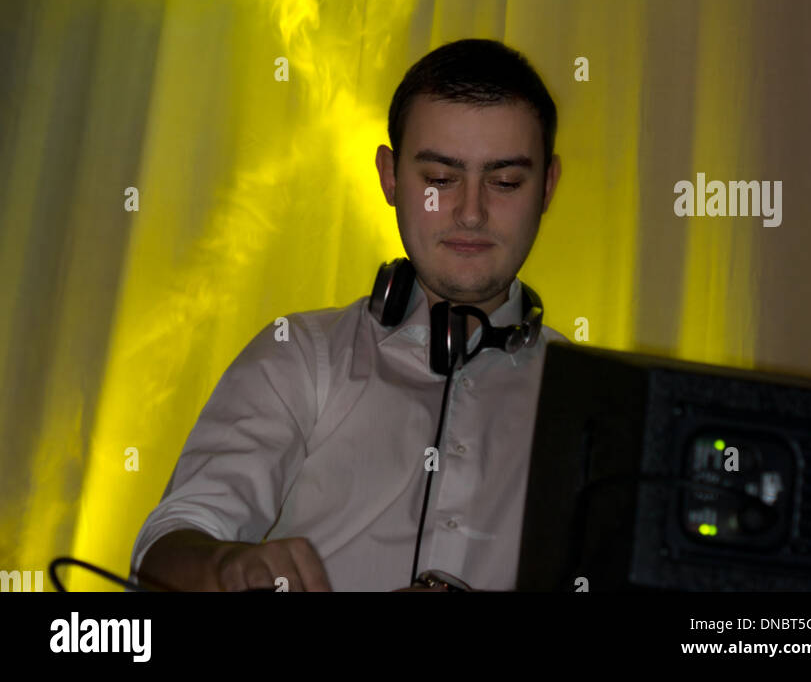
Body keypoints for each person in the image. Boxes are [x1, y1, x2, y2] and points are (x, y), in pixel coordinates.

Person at [130, 38, 568, 593]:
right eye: (439, 179)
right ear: (389, 176)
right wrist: (221, 568)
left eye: (505, 182)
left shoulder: (588, 401)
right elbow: (169, 545)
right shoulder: (301, 354)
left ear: (547, 186)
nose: (471, 211)